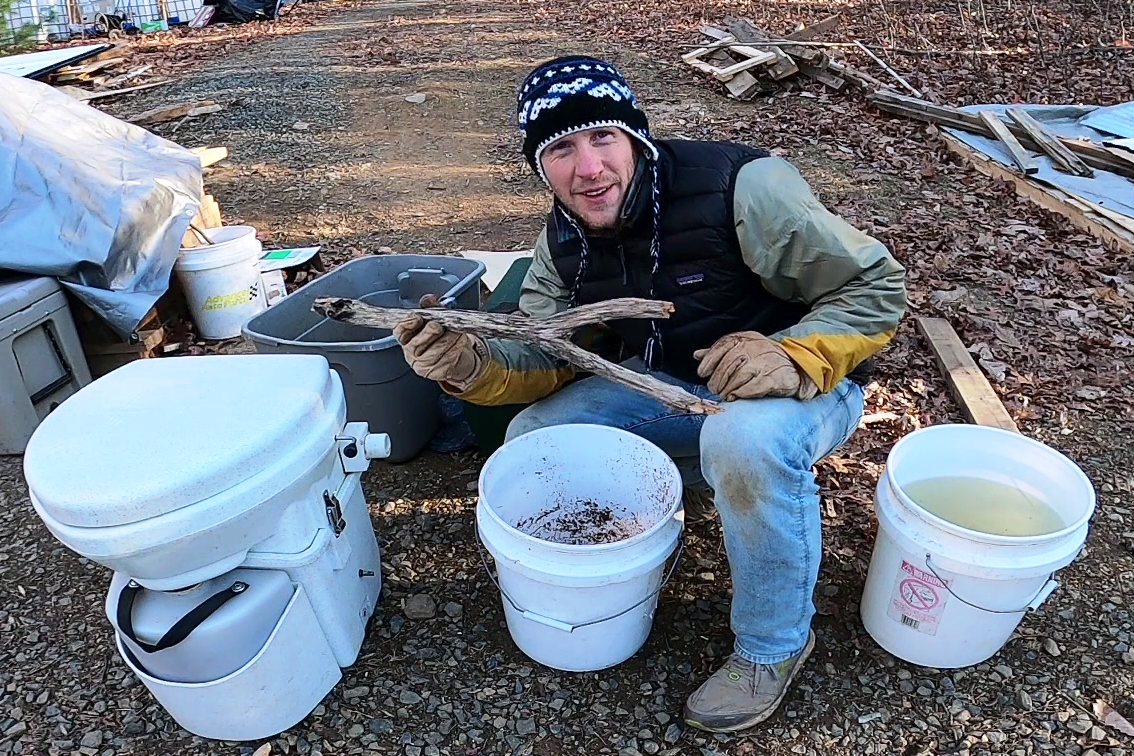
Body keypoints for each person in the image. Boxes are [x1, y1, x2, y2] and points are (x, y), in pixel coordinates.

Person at [392, 55, 907, 733]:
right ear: (538, 166)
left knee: (744, 441)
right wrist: (466, 365)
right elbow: (547, 355)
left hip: (808, 385)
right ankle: (727, 490)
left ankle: (774, 644)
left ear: (633, 137)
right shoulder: (563, 242)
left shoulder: (741, 187)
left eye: (602, 139)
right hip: (673, 389)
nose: (589, 169)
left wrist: (793, 353)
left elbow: (874, 289)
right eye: (561, 150)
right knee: (536, 439)